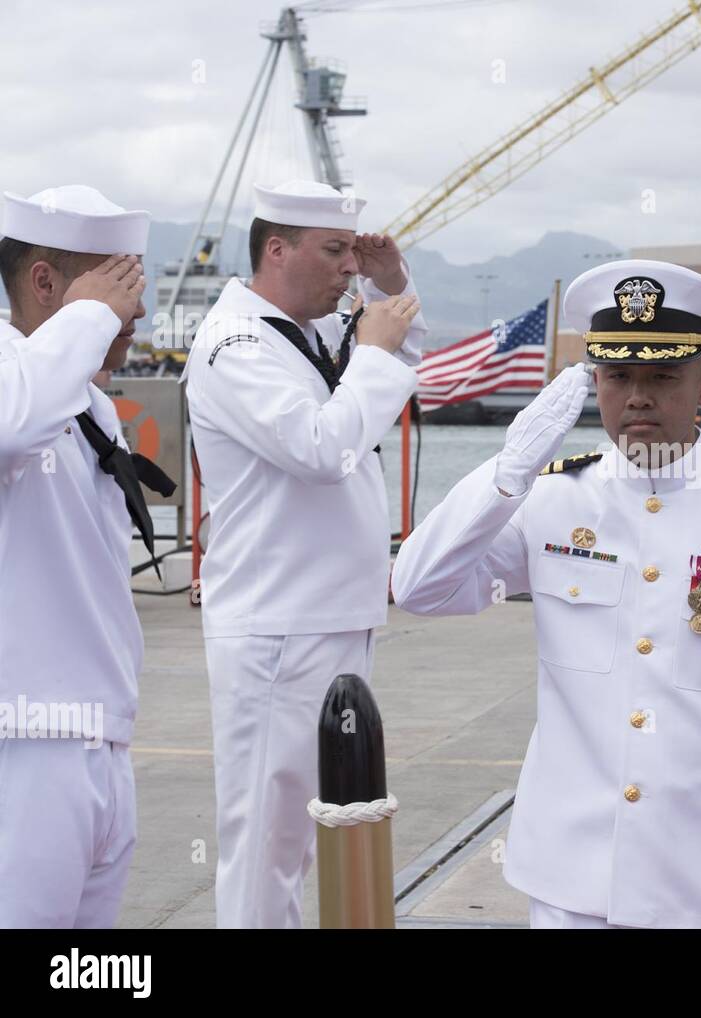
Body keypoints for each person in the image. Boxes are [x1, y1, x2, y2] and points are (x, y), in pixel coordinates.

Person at [391, 259, 701, 928]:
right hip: (572, 874)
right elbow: (419, 587)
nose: (638, 396)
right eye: (617, 376)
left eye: (663, 376)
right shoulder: (550, 501)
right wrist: (508, 470)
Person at [184, 180, 427, 928]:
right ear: (276, 249)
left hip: (324, 614)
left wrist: (393, 287)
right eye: (334, 252)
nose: (349, 270)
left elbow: (396, 363)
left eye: (353, 254)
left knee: (320, 823)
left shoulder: (299, 333)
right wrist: (377, 354)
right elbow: (322, 447)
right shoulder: (237, 345)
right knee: (268, 840)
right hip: (278, 623)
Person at [0, 184, 163, 926]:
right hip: (22, 747)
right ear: (44, 283)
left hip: (100, 744)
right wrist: (90, 314)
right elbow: (14, 426)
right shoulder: (21, 381)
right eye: (118, 285)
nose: (135, 312)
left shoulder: (86, 403)